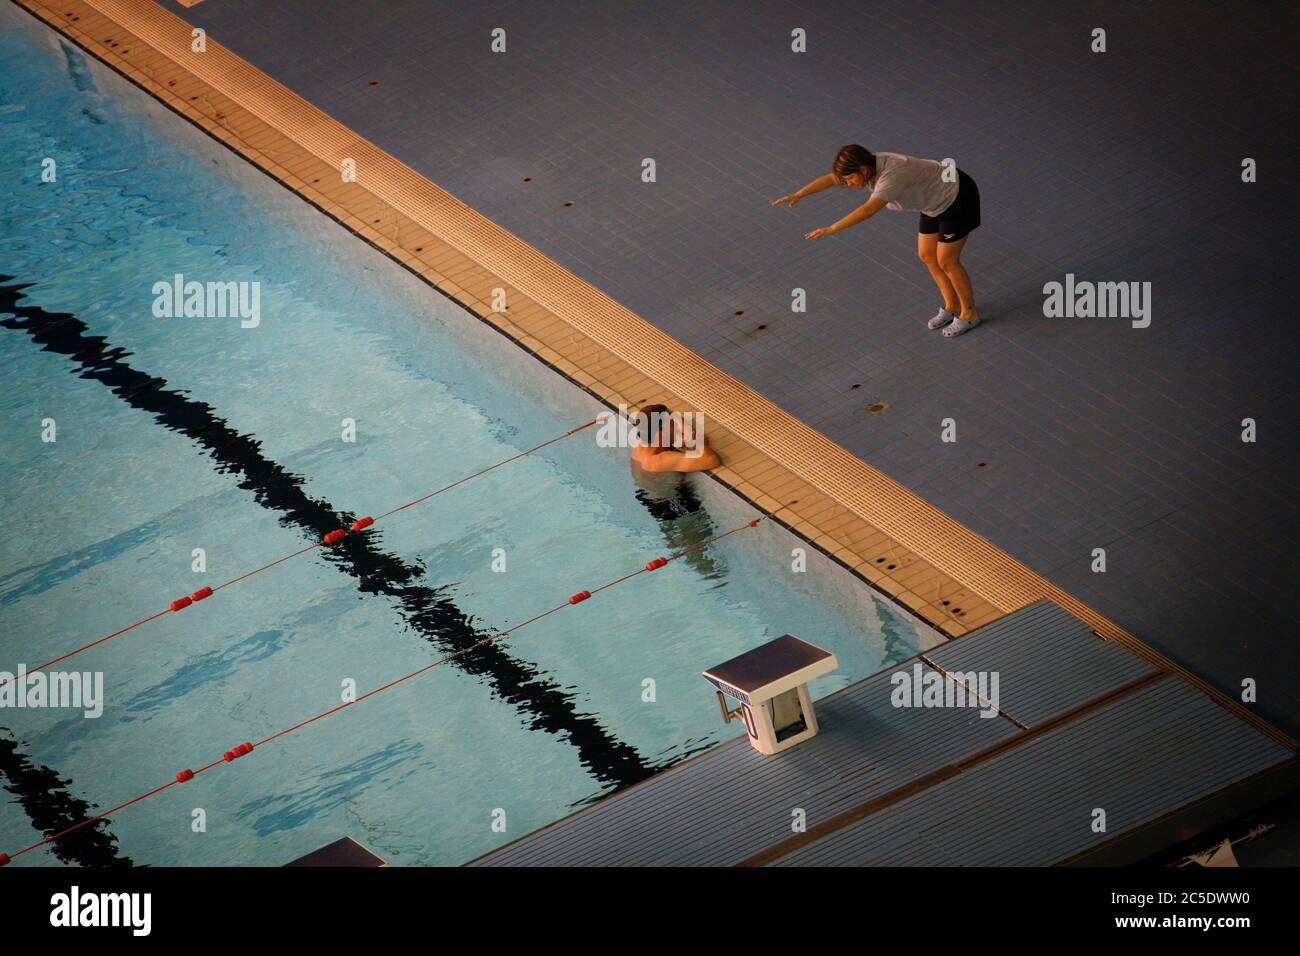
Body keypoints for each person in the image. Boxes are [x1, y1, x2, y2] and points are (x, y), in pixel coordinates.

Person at [774, 145, 982, 337]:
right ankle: (950, 306)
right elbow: (831, 179)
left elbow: (868, 210)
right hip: (932, 202)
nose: (848, 184)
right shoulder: (869, 165)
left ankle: (969, 314)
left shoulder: (892, 174)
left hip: (955, 196)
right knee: (927, 255)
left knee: (947, 261)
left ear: (863, 170)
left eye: (850, 179)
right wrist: (799, 194)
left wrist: (831, 228)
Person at [629, 404, 721, 473]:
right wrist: (698, 444)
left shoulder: (641, 444)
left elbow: (677, 418)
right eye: (672, 422)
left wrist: (686, 430)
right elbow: (712, 460)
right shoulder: (659, 460)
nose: (675, 424)